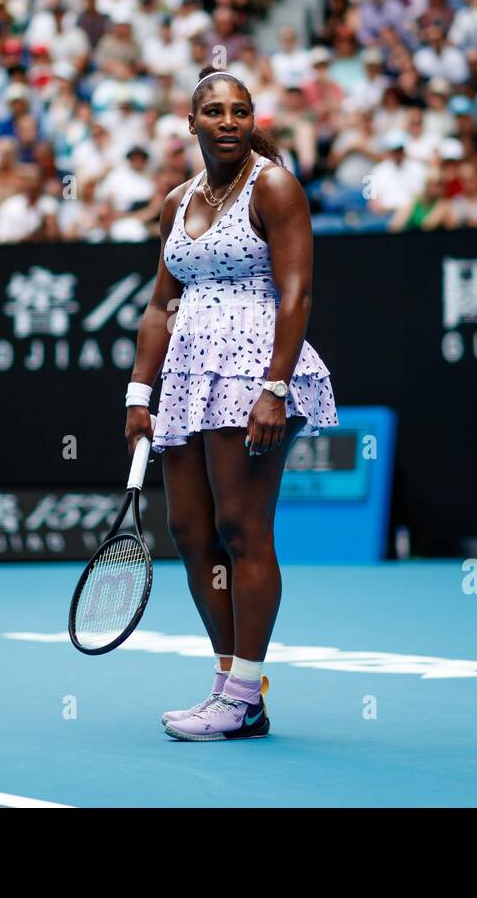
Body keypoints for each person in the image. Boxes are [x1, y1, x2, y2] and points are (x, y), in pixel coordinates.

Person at [125, 66, 338, 740]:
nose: (226, 120)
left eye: (239, 111)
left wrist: (274, 388)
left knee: (244, 530)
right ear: (191, 124)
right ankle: (230, 686)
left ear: (251, 121)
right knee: (191, 530)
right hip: (189, 376)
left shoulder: (274, 187)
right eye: (213, 111)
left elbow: (297, 293)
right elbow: (162, 303)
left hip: (254, 372)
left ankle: (244, 693)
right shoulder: (176, 201)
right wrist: (138, 392)